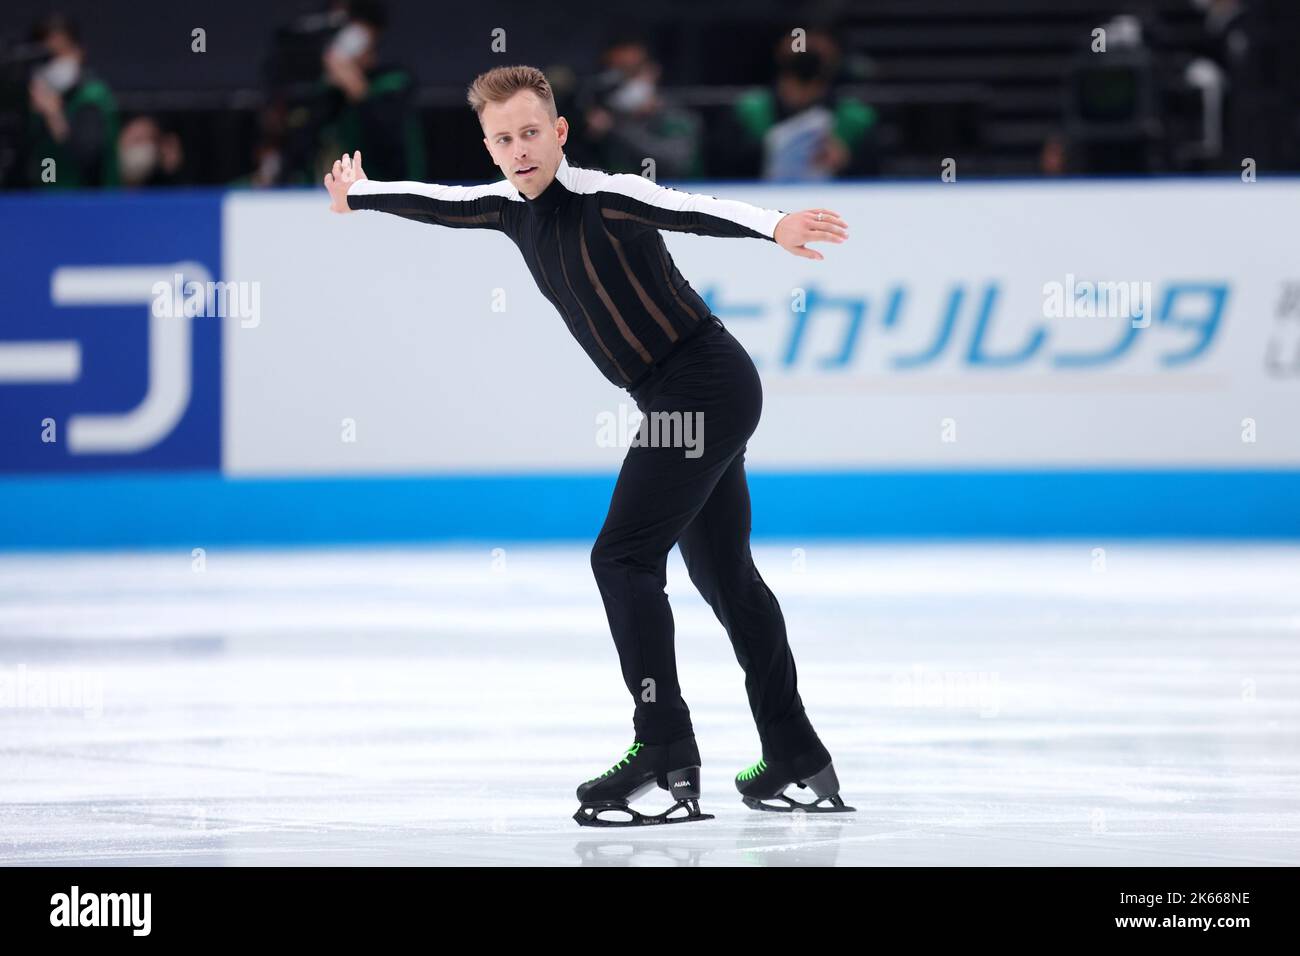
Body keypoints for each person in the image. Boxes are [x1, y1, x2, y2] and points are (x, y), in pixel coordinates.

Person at [322, 65, 854, 826]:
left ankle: (663, 745)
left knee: (622, 557)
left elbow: (688, 208)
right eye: (502, 139)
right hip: (690, 394)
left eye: (531, 132)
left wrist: (775, 226)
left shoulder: (606, 194)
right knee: (724, 575)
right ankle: (795, 755)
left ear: (560, 132)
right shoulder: (507, 208)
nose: (519, 149)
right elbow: (439, 202)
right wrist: (362, 195)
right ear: (490, 146)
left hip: (700, 385)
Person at [25, 14, 118, 188]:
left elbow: (88, 158)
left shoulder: (92, 96)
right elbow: (42, 165)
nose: (55, 64)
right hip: (39, 203)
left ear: (79, 52)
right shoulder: (29, 99)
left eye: (61, 53)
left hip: (91, 205)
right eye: (48, 58)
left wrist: (55, 117)